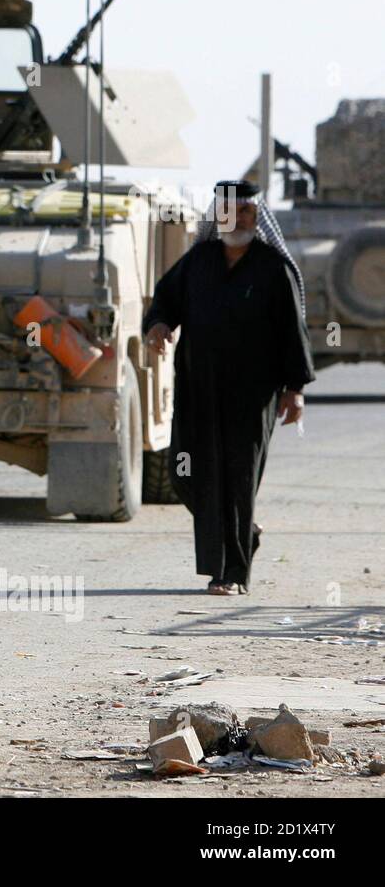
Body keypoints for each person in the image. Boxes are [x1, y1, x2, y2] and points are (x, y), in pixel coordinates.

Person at [143, 180, 315, 595]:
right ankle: (243, 530)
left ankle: (232, 573)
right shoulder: (198, 260)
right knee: (186, 474)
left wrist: (295, 389)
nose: (236, 220)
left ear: (257, 218)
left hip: (252, 394)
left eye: (245, 213)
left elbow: (293, 331)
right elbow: (166, 299)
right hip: (198, 388)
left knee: (237, 478)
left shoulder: (272, 268)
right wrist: (160, 324)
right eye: (228, 212)